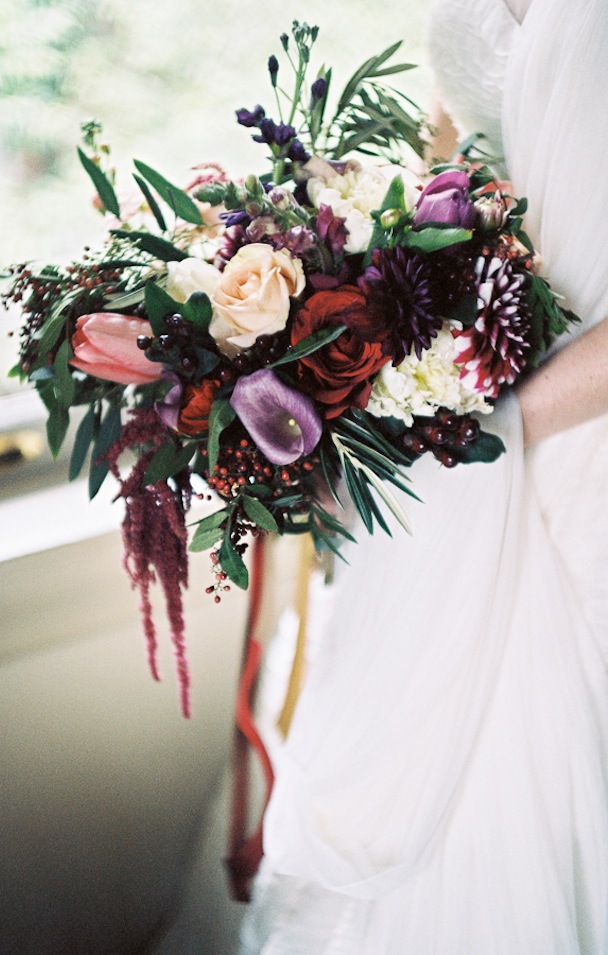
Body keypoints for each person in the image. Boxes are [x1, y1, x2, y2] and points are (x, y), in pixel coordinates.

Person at [239, 0, 608, 951]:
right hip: (465, 405)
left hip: (575, 444)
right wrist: (339, 338)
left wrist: (489, 429)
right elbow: (458, 181)